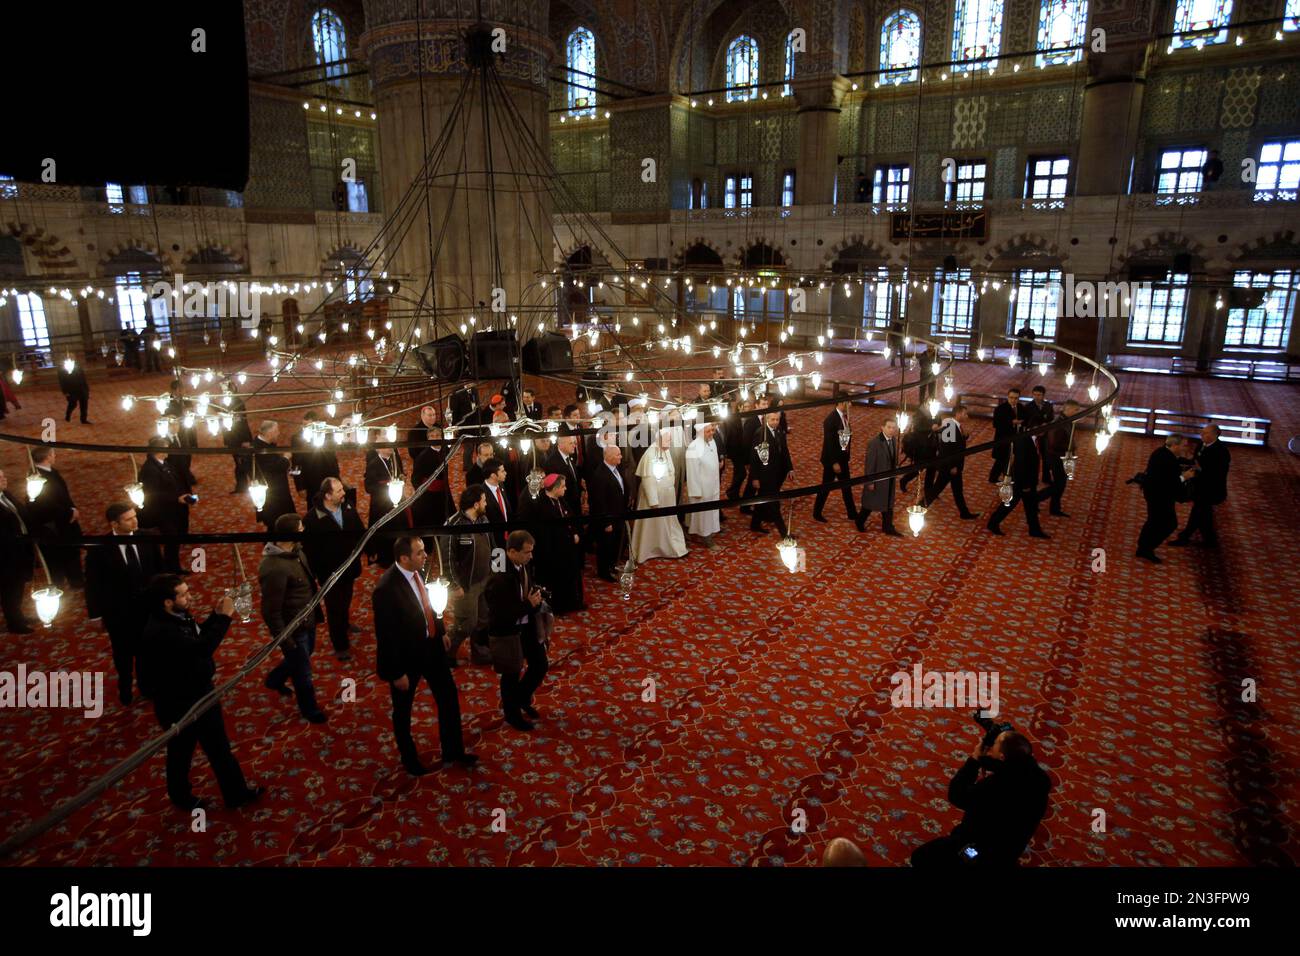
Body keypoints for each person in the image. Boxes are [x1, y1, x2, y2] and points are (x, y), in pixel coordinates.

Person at [137, 575, 263, 811]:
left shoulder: (176, 616)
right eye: (183, 594)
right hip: (178, 702)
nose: (190, 596)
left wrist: (215, 615)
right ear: (167, 602)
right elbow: (202, 648)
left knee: (218, 747)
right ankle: (180, 796)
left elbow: (198, 635)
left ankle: (236, 794)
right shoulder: (162, 630)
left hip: (200, 692)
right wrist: (225, 618)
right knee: (181, 751)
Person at [373, 535, 478, 773]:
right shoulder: (386, 589)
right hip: (406, 658)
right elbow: (386, 635)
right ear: (404, 558)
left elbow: (427, 605)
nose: (425, 556)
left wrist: (440, 632)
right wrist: (395, 672)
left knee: (448, 697)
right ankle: (409, 760)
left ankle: (453, 750)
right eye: (419, 553)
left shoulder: (417, 573)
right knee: (403, 711)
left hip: (431, 648)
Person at [910, 730, 1051, 868]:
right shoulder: (1037, 778)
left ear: (1002, 757)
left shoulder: (996, 786)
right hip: (1009, 851)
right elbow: (1011, 762)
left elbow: (957, 795)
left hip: (979, 850)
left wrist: (974, 760)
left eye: (994, 744)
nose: (990, 747)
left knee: (920, 858)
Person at [84, 502, 162, 705]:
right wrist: (95, 614)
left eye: (135, 516)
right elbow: (92, 584)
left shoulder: (148, 538)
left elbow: (160, 571)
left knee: (147, 651)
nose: (135, 521)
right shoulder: (99, 549)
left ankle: (147, 687)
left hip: (148, 609)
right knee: (123, 655)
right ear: (114, 524)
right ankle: (125, 688)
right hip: (119, 613)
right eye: (128, 519)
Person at [258, 513, 327, 723]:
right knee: (303, 672)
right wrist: (284, 639)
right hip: (292, 628)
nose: (304, 531)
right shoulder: (274, 568)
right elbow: (270, 610)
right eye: (300, 528)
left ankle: (275, 678)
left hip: (307, 620)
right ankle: (310, 709)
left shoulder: (297, 552)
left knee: (303, 656)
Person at [485, 530, 548, 731]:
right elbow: (503, 614)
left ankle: (520, 699)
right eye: (527, 552)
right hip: (508, 632)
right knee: (511, 675)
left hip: (526, 625)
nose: (531, 556)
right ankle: (512, 715)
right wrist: (529, 604)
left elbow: (525, 590)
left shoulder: (522, 564)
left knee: (540, 664)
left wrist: (535, 596)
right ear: (511, 552)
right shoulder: (499, 578)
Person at [302, 477, 365, 661]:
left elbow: (359, 530)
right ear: (328, 496)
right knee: (334, 608)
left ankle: (345, 624)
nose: (344, 493)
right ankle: (340, 645)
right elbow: (309, 551)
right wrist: (315, 574)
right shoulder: (312, 520)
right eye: (339, 491)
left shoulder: (347, 507)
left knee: (345, 599)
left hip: (349, 569)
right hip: (329, 573)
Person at [441, 484, 493, 665]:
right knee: (466, 624)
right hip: (465, 586)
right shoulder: (453, 525)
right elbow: (446, 560)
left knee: (482, 620)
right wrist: (454, 586)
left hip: (483, 581)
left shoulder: (483, 520)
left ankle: (478, 653)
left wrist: (495, 573)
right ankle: (446, 653)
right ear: (476, 504)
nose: (486, 503)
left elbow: (492, 547)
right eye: (484, 500)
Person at [521, 473, 585, 613]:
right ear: (555, 488)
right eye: (562, 486)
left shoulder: (561, 500)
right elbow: (545, 533)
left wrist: (574, 532)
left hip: (567, 549)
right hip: (554, 552)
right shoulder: (542, 506)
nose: (565, 489)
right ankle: (561, 606)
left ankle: (574, 601)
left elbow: (570, 518)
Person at [26, 446, 84, 588]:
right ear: (47, 457)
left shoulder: (50, 472)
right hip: (56, 524)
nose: (55, 456)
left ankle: (75, 579)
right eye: (53, 454)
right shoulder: (37, 479)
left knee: (70, 551)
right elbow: (45, 504)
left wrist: (73, 508)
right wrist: (70, 513)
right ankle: (67, 582)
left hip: (64, 518)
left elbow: (63, 495)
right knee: (62, 553)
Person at [138, 435, 194, 574]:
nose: (168, 452)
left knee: (175, 539)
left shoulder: (163, 463)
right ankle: (171, 568)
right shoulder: (150, 469)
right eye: (165, 449)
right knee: (171, 541)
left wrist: (185, 496)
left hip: (173, 508)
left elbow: (174, 482)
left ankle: (172, 566)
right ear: (157, 451)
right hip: (162, 512)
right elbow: (152, 494)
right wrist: (176, 498)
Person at [987, 419, 1049, 539]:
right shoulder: (1024, 441)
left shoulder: (1035, 439)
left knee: (1030, 506)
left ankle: (1034, 529)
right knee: (1009, 503)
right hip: (1022, 482)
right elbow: (1020, 465)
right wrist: (1025, 484)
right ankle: (993, 522)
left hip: (1029, 481)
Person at [632, 428, 688, 561]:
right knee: (652, 526)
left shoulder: (666, 451)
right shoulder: (650, 454)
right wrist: (653, 501)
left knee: (667, 523)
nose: (670, 441)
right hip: (655, 500)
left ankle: (668, 547)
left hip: (667, 496)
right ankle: (649, 550)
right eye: (668, 438)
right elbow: (648, 480)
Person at [1172, 424, 1230, 548]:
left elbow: (1218, 474)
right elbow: (1196, 461)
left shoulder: (1221, 452)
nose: (1202, 435)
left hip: (1210, 490)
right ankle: (1209, 540)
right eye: (1202, 432)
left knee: (1199, 512)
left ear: (1215, 435)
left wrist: (1201, 470)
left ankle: (1186, 537)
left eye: (1206, 433)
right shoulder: (1201, 444)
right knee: (1203, 514)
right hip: (1200, 487)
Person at [1136, 434, 1191, 563]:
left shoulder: (1162, 452)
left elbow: (1175, 463)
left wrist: (1188, 463)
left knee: (1153, 521)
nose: (1185, 448)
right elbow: (1169, 482)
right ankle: (1146, 549)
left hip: (1155, 493)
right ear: (1175, 445)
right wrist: (1185, 477)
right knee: (1168, 524)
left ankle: (1143, 547)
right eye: (1183, 445)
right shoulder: (1167, 459)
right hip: (1160, 496)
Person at [925, 406, 980, 519]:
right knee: (936, 489)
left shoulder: (955, 426)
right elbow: (945, 449)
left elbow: (955, 444)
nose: (967, 416)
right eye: (965, 414)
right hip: (949, 467)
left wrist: (965, 436)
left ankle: (964, 512)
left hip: (954, 466)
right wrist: (952, 466)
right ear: (958, 414)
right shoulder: (950, 426)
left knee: (957, 490)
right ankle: (919, 508)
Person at [0, 468, 36, 634]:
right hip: (6, 556)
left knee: (18, 586)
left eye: (3, 476)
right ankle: (14, 622)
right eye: (0, 478)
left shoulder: (5, 495)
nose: (4, 480)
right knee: (10, 590)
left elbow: (20, 513)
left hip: (19, 549)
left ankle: (19, 616)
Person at [748, 411, 794, 537]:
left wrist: (790, 468)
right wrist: (755, 477)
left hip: (776, 473)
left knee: (762, 499)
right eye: (773, 419)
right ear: (766, 419)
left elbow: (785, 450)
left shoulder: (779, 431)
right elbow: (754, 458)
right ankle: (784, 534)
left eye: (777, 419)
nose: (775, 422)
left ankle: (754, 524)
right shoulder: (760, 434)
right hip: (764, 475)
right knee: (774, 503)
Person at [364, 443, 410, 567]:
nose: (391, 448)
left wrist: (401, 479)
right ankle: (385, 559)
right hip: (381, 505)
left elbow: (400, 474)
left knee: (398, 529)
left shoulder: (395, 459)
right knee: (384, 532)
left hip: (396, 501)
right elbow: (368, 487)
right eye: (387, 446)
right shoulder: (373, 464)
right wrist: (387, 485)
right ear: (378, 448)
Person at [588, 444, 629, 582]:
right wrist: (606, 522)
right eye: (618, 454)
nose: (621, 457)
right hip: (608, 520)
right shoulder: (600, 474)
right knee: (605, 546)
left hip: (618, 515)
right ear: (609, 456)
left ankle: (612, 566)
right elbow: (599, 502)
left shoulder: (617, 469)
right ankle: (604, 572)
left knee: (615, 544)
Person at [813, 399, 856, 524]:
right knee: (826, 487)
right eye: (849, 402)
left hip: (842, 458)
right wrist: (834, 463)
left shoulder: (844, 417)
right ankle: (816, 512)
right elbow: (829, 443)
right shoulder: (831, 420)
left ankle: (852, 513)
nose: (851, 405)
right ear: (841, 403)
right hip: (833, 461)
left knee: (846, 487)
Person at [856, 419, 902, 535]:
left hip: (889, 480)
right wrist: (870, 482)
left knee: (888, 503)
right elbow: (870, 464)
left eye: (893, 428)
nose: (892, 430)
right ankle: (859, 521)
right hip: (877, 480)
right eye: (889, 427)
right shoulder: (874, 443)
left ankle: (888, 527)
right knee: (870, 504)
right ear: (882, 427)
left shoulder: (894, 441)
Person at [684, 421, 722, 548]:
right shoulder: (693, 447)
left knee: (709, 512)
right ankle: (706, 537)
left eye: (712, 430)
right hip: (702, 489)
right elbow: (692, 473)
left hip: (713, 485)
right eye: (708, 431)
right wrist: (696, 491)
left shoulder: (712, 442)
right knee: (703, 514)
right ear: (700, 432)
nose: (712, 433)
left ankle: (704, 531)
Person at [291, 412, 340, 508]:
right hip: (311, 481)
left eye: (307, 426)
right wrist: (300, 487)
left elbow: (333, 459)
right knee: (315, 508)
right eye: (303, 425)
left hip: (328, 477)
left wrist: (337, 477)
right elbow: (295, 463)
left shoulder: (328, 434)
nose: (304, 429)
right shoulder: (297, 438)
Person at [252, 420, 295, 529]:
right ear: (269, 433)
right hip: (273, 495)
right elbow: (274, 467)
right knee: (276, 525)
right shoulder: (260, 449)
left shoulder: (264, 443)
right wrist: (286, 458)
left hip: (274, 492)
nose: (279, 433)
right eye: (276, 431)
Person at [410, 425, 452, 530]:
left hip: (444, 491)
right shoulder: (422, 457)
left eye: (438, 435)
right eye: (432, 436)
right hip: (429, 495)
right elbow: (415, 478)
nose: (435, 438)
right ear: (428, 439)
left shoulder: (445, 450)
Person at [1042, 399, 1078, 518]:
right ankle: (1036, 499)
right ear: (1067, 409)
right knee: (1059, 484)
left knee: (1060, 484)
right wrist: (1070, 447)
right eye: (1076, 410)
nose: (1077, 412)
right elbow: (1053, 443)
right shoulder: (1059, 423)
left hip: (1062, 457)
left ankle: (1055, 508)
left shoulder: (1067, 421)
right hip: (1057, 458)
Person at [988, 387, 1022, 484]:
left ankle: (997, 477)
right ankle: (996, 478)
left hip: (1015, 438)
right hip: (1002, 438)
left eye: (1016, 398)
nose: (1013, 400)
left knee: (1008, 459)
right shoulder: (1000, 409)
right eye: (1011, 397)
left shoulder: (1020, 408)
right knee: (1001, 459)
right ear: (1008, 397)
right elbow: (996, 424)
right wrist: (1011, 422)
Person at [724, 398, 755, 502]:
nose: (747, 409)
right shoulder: (733, 419)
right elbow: (729, 436)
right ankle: (731, 492)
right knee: (742, 473)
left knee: (738, 473)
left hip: (745, 451)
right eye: (745, 407)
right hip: (736, 451)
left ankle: (733, 493)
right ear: (739, 407)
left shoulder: (751, 418)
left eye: (748, 407)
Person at [223, 391, 253, 494]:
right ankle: (242, 486)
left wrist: (245, 440)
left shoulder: (237, 402)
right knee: (240, 464)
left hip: (240, 441)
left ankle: (254, 484)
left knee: (245, 464)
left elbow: (242, 425)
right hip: (233, 440)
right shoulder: (227, 401)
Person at [405, 405, 441, 473]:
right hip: (423, 466)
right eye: (430, 415)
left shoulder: (439, 428)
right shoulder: (414, 432)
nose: (433, 417)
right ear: (422, 416)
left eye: (434, 415)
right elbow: (412, 453)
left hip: (439, 464)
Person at [57, 358, 90, 424]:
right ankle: (68, 416)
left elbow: (83, 377)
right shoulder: (62, 369)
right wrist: (65, 392)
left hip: (81, 388)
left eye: (73, 357)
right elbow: (62, 381)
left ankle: (83, 420)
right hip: (71, 390)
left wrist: (86, 388)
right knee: (72, 404)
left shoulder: (78, 366)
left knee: (84, 404)